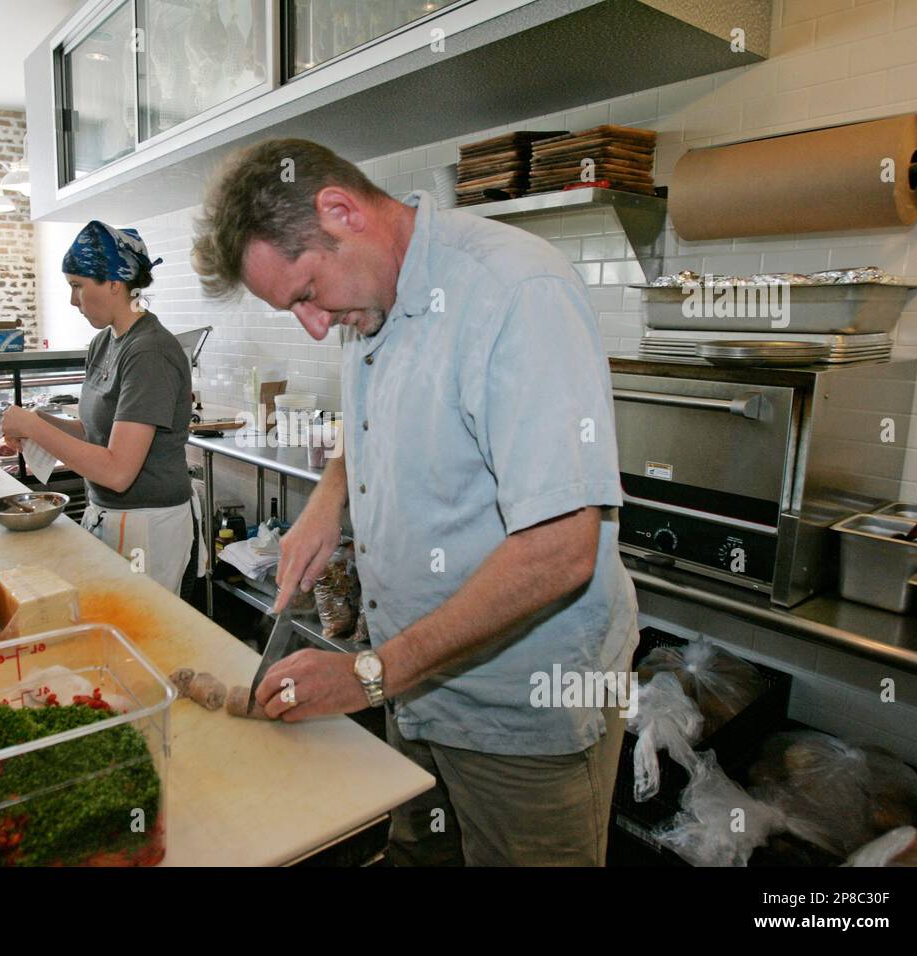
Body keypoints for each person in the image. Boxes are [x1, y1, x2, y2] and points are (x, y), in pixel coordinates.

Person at [190, 138, 638, 866]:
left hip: (518, 715)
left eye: (304, 294)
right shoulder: (368, 297)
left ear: (340, 212)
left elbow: (560, 550)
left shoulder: (514, 293)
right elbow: (379, 419)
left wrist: (369, 673)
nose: (313, 323)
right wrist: (328, 499)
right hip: (415, 686)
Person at [2, 220, 197, 595]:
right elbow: (96, 434)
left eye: (77, 286)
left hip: (148, 525)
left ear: (114, 283)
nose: (72, 300)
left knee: (141, 635)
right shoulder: (104, 343)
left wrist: (35, 426)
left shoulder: (150, 352)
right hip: (106, 513)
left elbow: (118, 470)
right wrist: (35, 422)